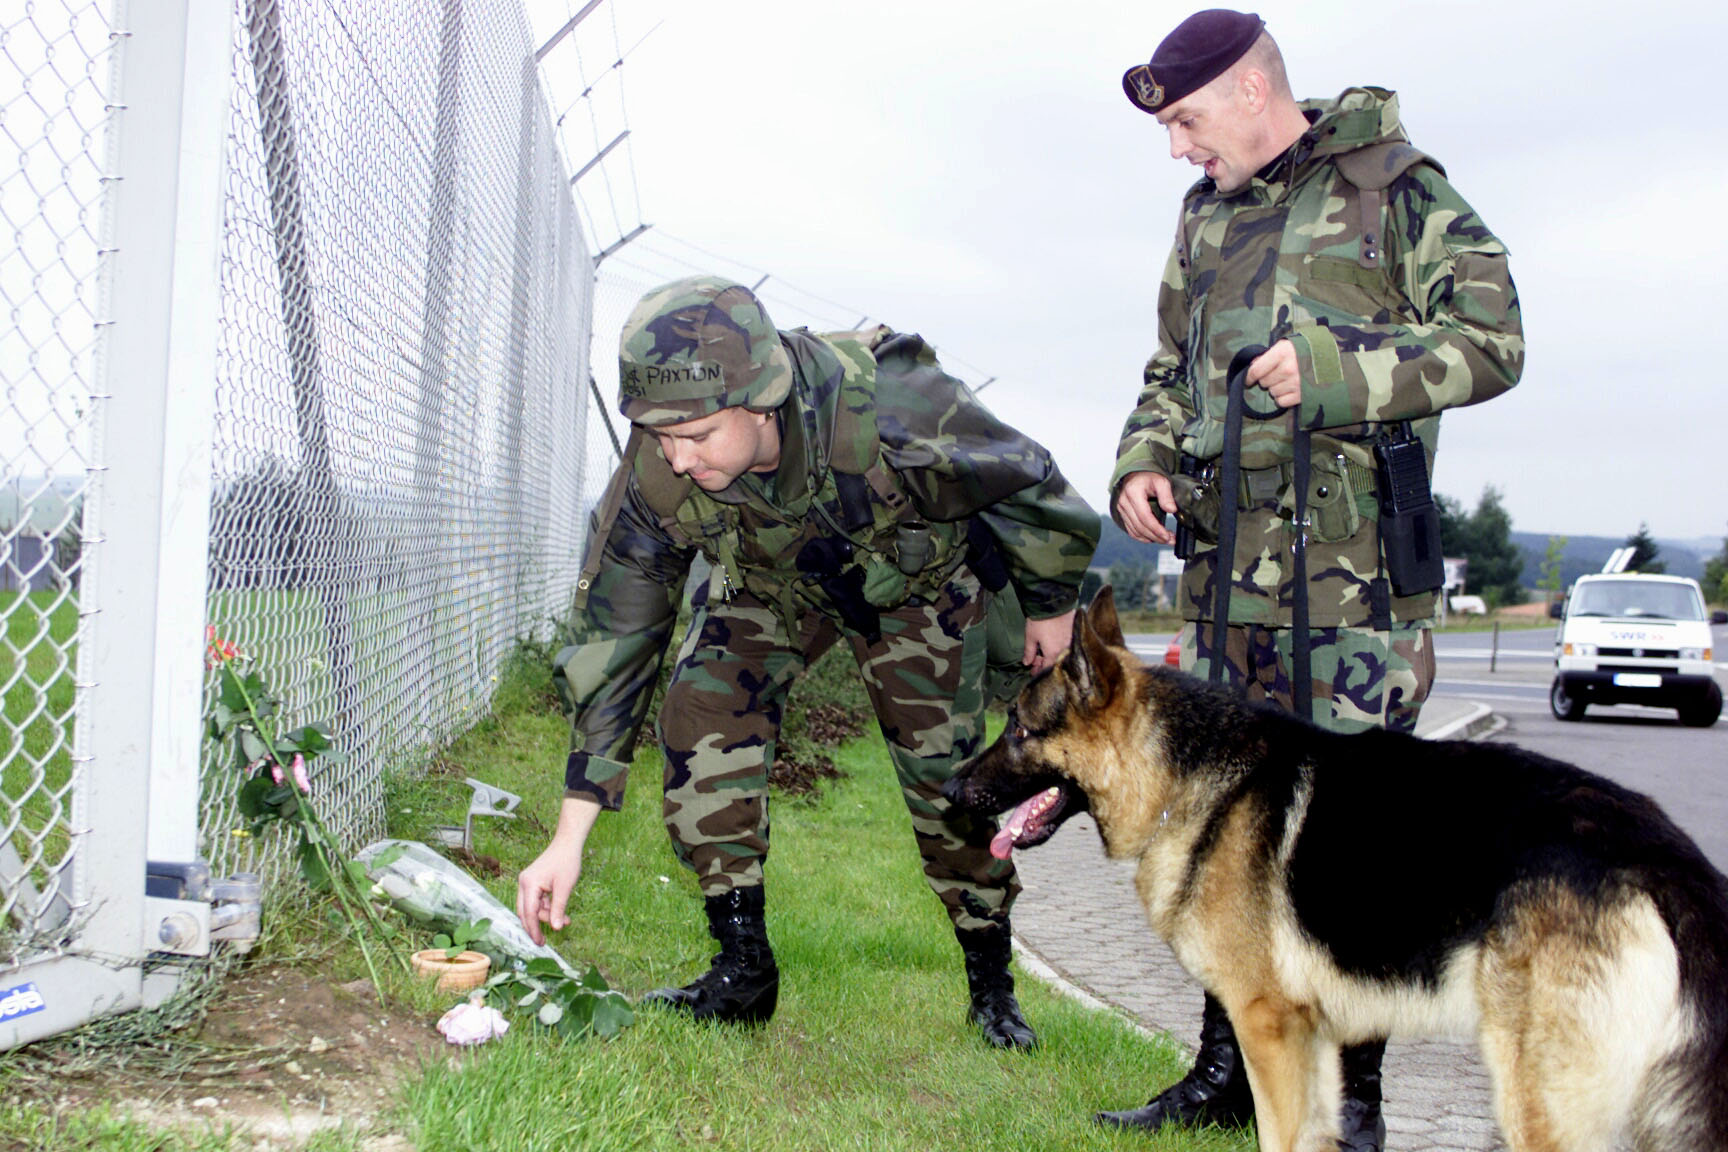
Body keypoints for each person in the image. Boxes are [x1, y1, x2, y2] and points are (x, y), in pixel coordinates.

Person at [1107, 10, 1523, 1150]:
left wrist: (1337, 372)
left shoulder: (1396, 185)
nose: (1180, 150)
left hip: (1351, 597)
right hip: (1222, 585)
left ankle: (1357, 1111)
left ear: (1251, 90)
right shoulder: (1205, 217)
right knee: (1226, 829)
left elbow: (1494, 337)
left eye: (1188, 122)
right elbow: (1167, 367)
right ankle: (1223, 1076)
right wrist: (1141, 457)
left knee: (1349, 850)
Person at [516, 275, 1100, 1049]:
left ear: (762, 399)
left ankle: (992, 983)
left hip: (912, 591)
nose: (677, 458)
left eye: (696, 436)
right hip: (769, 589)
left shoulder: (892, 405)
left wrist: (1052, 603)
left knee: (946, 781)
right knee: (700, 715)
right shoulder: (660, 468)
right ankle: (742, 969)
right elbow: (616, 641)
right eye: (659, 437)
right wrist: (569, 836)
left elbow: (1031, 481)